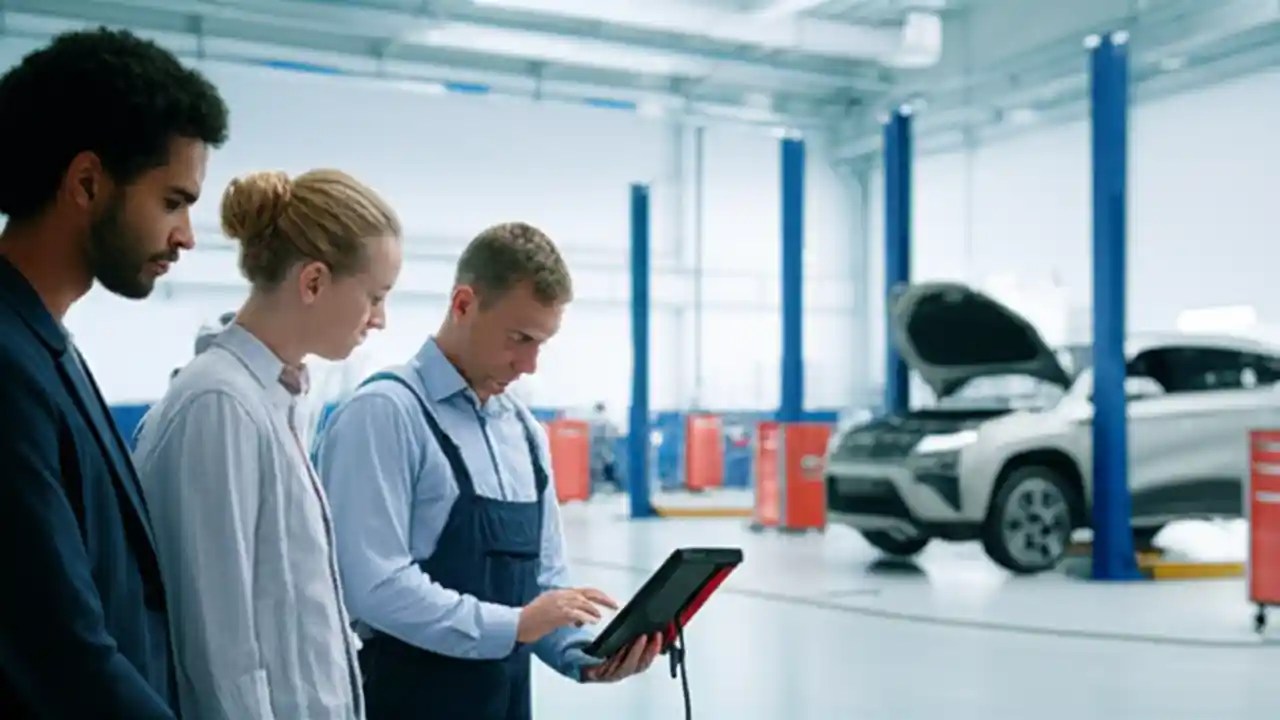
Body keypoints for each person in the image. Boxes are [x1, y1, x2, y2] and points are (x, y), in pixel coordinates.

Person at [315, 222, 661, 719]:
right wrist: (515, 625)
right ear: (463, 304)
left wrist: (583, 653)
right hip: (404, 701)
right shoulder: (384, 415)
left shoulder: (523, 431)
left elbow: (543, 581)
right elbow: (373, 585)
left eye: (542, 342)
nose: (529, 364)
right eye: (519, 338)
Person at [0, 27, 228, 719]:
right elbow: (61, 646)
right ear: (88, 184)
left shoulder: (46, 347)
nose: (186, 234)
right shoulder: (8, 367)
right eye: (172, 201)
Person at [131, 169, 403, 719]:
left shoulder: (277, 399)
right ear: (313, 283)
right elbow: (219, 654)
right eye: (374, 297)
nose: (380, 319)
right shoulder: (219, 405)